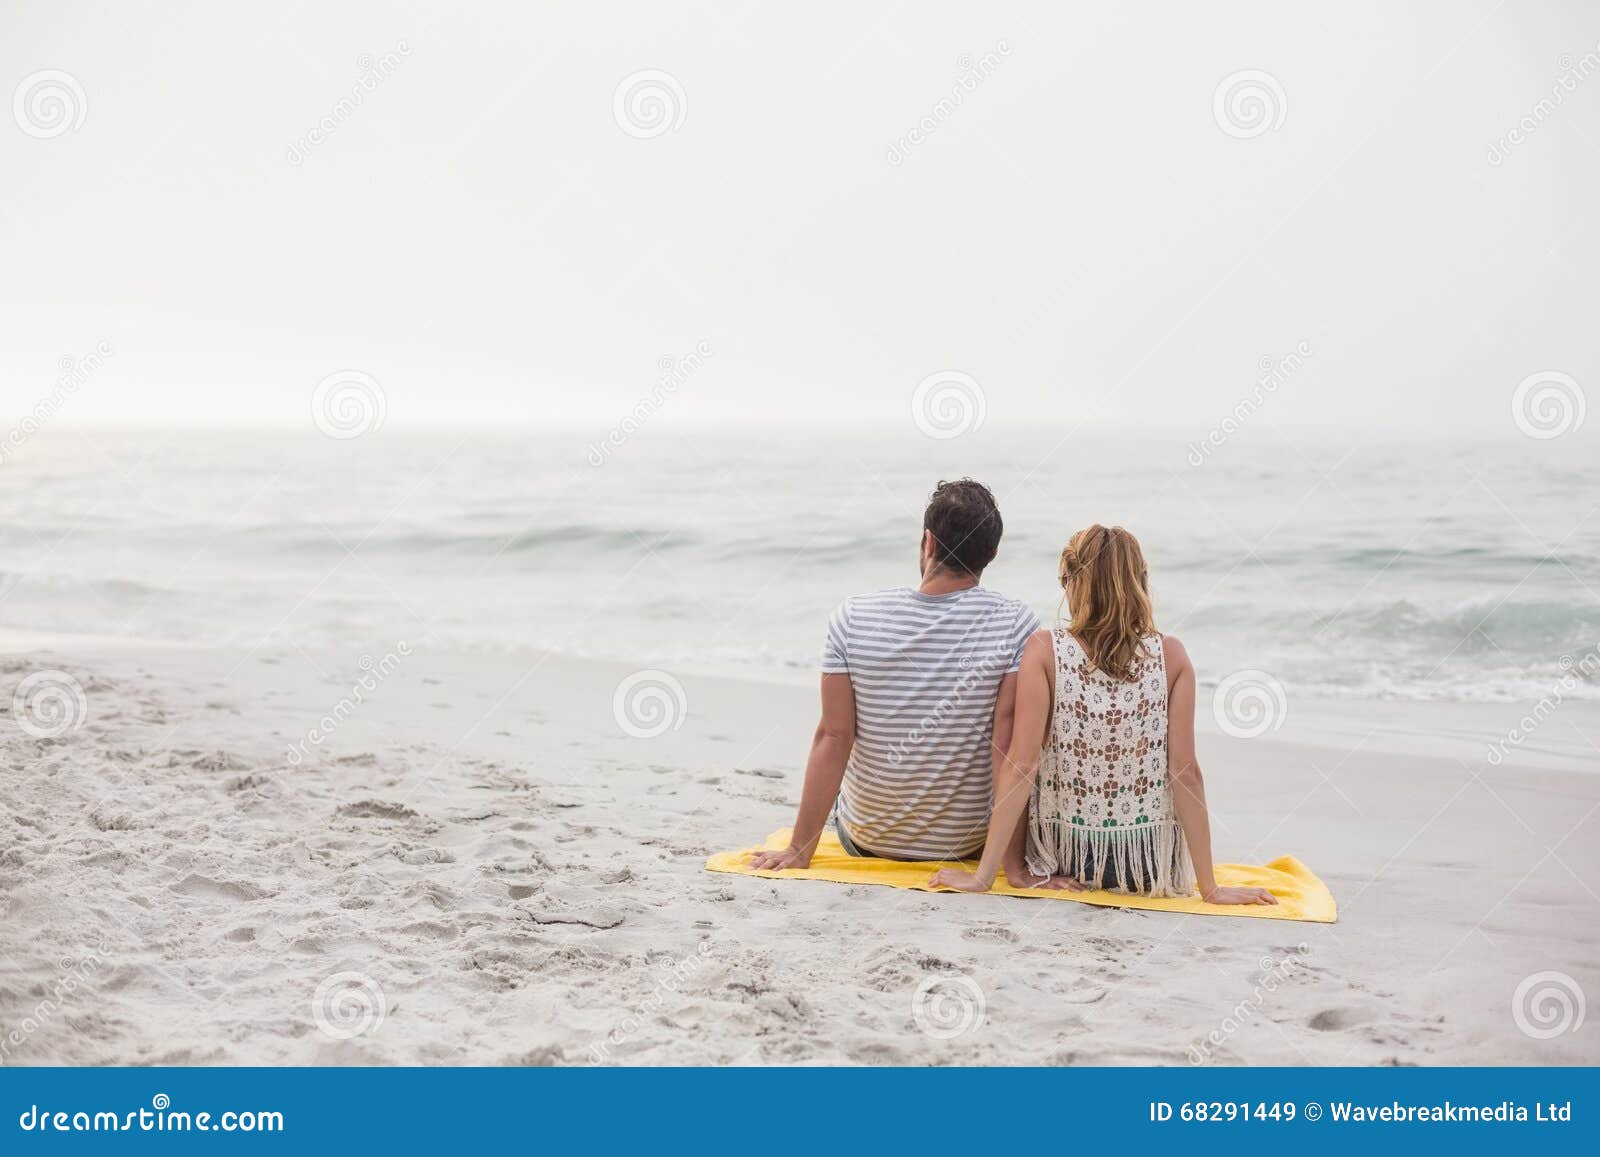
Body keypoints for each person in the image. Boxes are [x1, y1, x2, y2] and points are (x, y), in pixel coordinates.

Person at [929, 524, 1277, 905]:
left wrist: (983, 876)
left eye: (1065, 581)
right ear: (1139, 584)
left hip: (1068, 861)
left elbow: (1021, 764)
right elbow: (1185, 772)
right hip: (1143, 865)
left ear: (1074, 584)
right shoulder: (1172, 656)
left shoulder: (1045, 651)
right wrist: (1210, 888)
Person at [748, 479, 1042, 873]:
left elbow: (833, 737)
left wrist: (800, 850)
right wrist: (1012, 864)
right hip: (966, 845)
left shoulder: (853, 617)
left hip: (865, 840)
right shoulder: (1015, 623)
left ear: (928, 542)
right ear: (991, 554)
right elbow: (1004, 748)